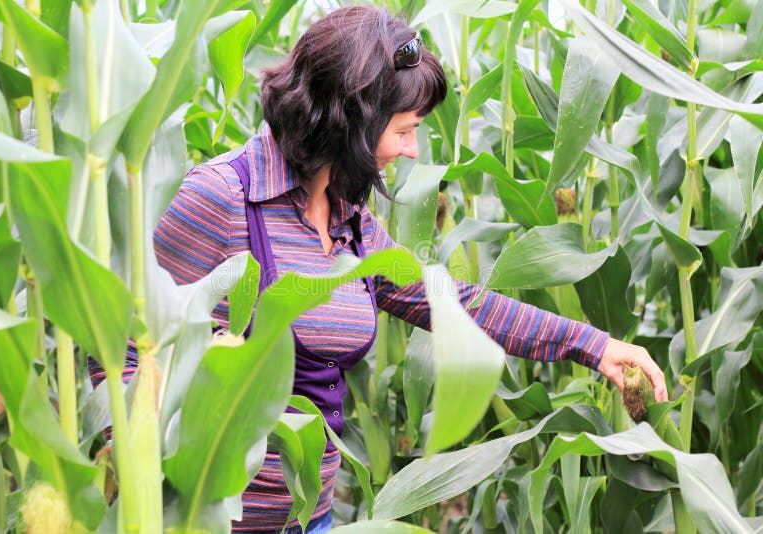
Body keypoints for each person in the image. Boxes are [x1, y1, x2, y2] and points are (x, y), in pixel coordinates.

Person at [93, 6, 668, 533]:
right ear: (350, 122)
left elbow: (453, 302)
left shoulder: (350, 217)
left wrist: (594, 346)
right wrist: (143, 476)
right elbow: (115, 346)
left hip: (308, 515)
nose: (413, 150)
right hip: (207, 519)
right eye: (404, 129)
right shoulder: (219, 200)